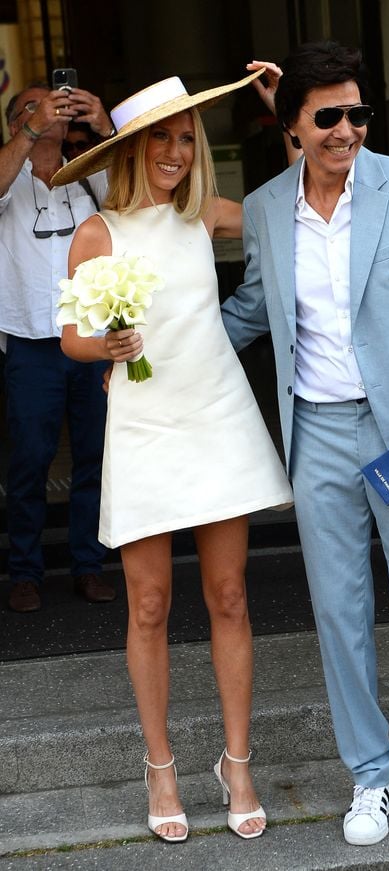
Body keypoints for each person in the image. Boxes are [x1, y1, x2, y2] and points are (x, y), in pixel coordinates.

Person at [221, 41, 389, 846]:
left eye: (357, 113)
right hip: (320, 433)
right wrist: (156, 350)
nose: (346, 130)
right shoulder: (268, 206)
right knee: (339, 612)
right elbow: (253, 309)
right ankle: (370, 772)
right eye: (328, 116)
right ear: (293, 126)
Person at [54, 66, 293, 842]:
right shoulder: (99, 232)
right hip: (146, 425)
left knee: (230, 596)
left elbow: (294, 199)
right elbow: (71, 338)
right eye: (161, 137)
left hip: (217, 415)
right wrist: (108, 345)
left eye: (185, 138)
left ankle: (238, 761)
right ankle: (160, 766)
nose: (176, 151)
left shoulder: (201, 217)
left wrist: (278, 108)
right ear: (130, 147)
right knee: (149, 603)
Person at [0, 81, 116, 612]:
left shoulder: (90, 173)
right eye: (32, 106)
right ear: (13, 124)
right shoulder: (9, 175)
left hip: (91, 340)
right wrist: (31, 126)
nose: (49, 111)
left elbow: (136, 196)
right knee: (30, 459)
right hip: (30, 343)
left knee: (96, 454)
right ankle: (24, 570)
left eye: (55, 104)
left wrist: (104, 127)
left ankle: (89, 565)